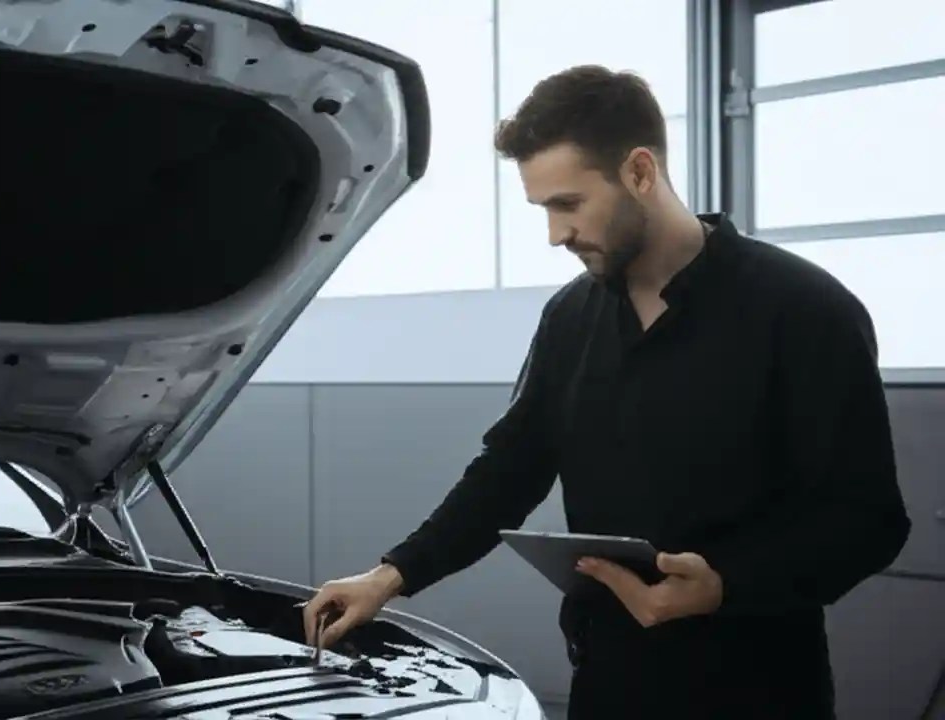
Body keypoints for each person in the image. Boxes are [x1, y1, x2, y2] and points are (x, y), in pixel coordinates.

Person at [301, 65, 911, 720]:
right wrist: (390, 576)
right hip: (607, 681)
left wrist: (725, 584)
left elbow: (868, 523)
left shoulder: (806, 310)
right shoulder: (568, 319)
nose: (554, 234)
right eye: (543, 209)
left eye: (568, 204)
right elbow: (508, 472)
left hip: (758, 689)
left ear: (640, 173)